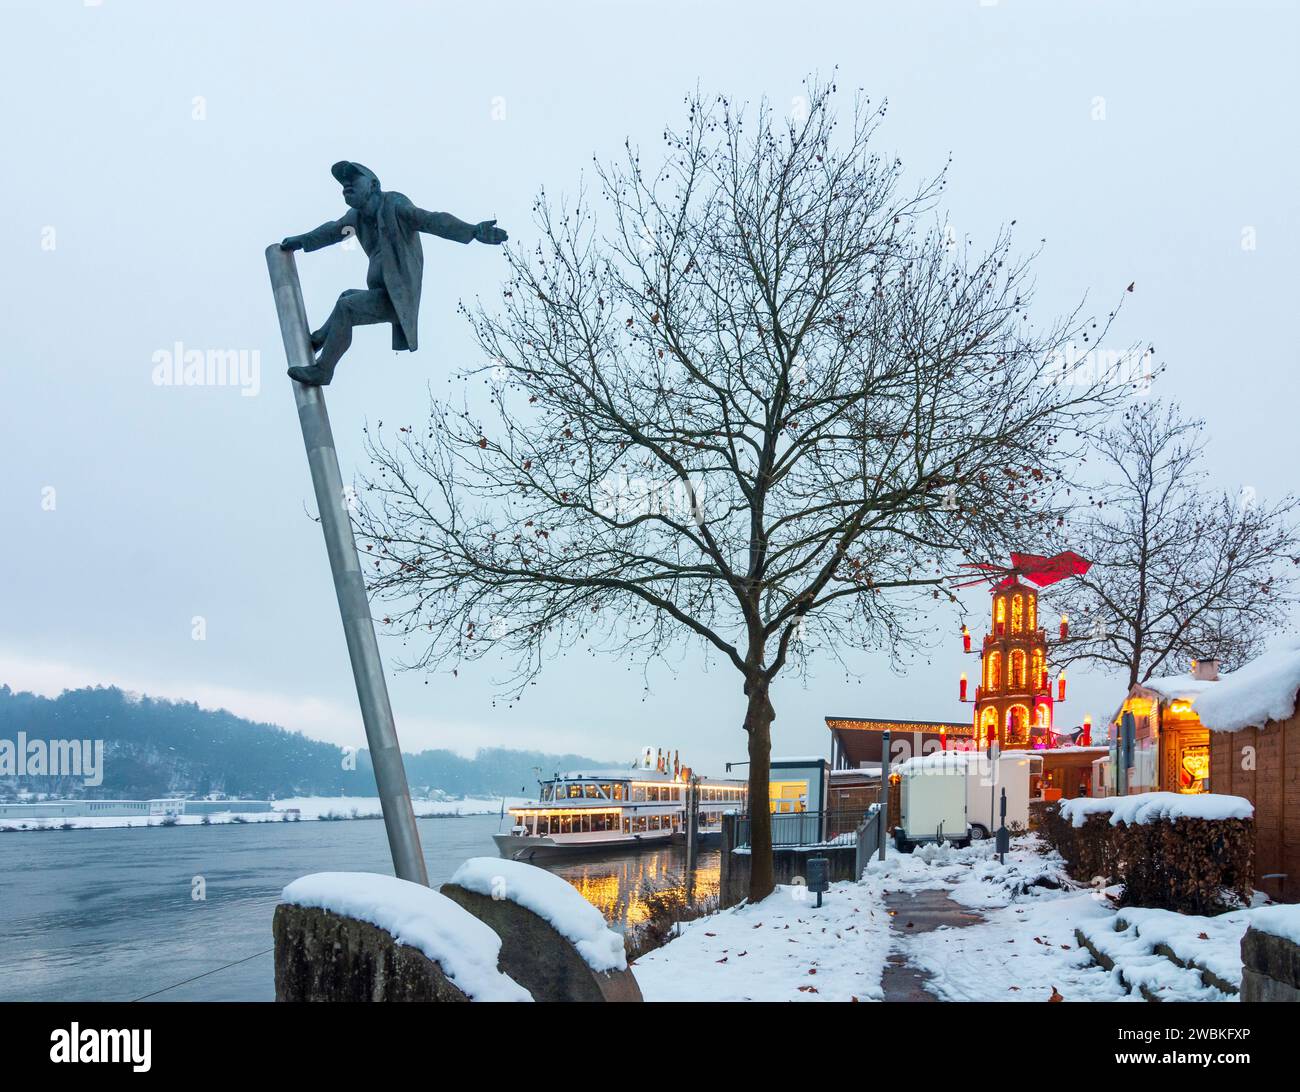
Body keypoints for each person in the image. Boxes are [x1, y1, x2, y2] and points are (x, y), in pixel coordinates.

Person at [279, 161, 507, 385]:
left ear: (374, 185)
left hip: (397, 297)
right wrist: (301, 241)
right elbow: (331, 230)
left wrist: (473, 231)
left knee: (347, 308)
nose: (346, 185)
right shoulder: (355, 217)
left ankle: (323, 370)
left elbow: (432, 220)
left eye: (353, 179)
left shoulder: (395, 205)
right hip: (381, 292)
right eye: (343, 182)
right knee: (346, 296)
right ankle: (319, 338)